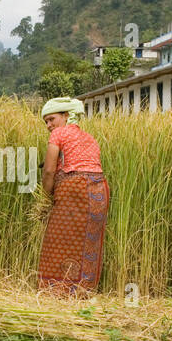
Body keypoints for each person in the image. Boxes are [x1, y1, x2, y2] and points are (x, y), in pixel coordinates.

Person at [38, 97, 109, 294]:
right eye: (46, 122)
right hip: (99, 190)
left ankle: (55, 290)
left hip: (74, 188)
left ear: (67, 116)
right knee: (88, 240)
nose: (49, 125)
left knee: (57, 239)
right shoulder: (91, 138)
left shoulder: (59, 134)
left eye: (51, 119)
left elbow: (49, 171)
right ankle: (82, 290)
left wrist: (46, 197)